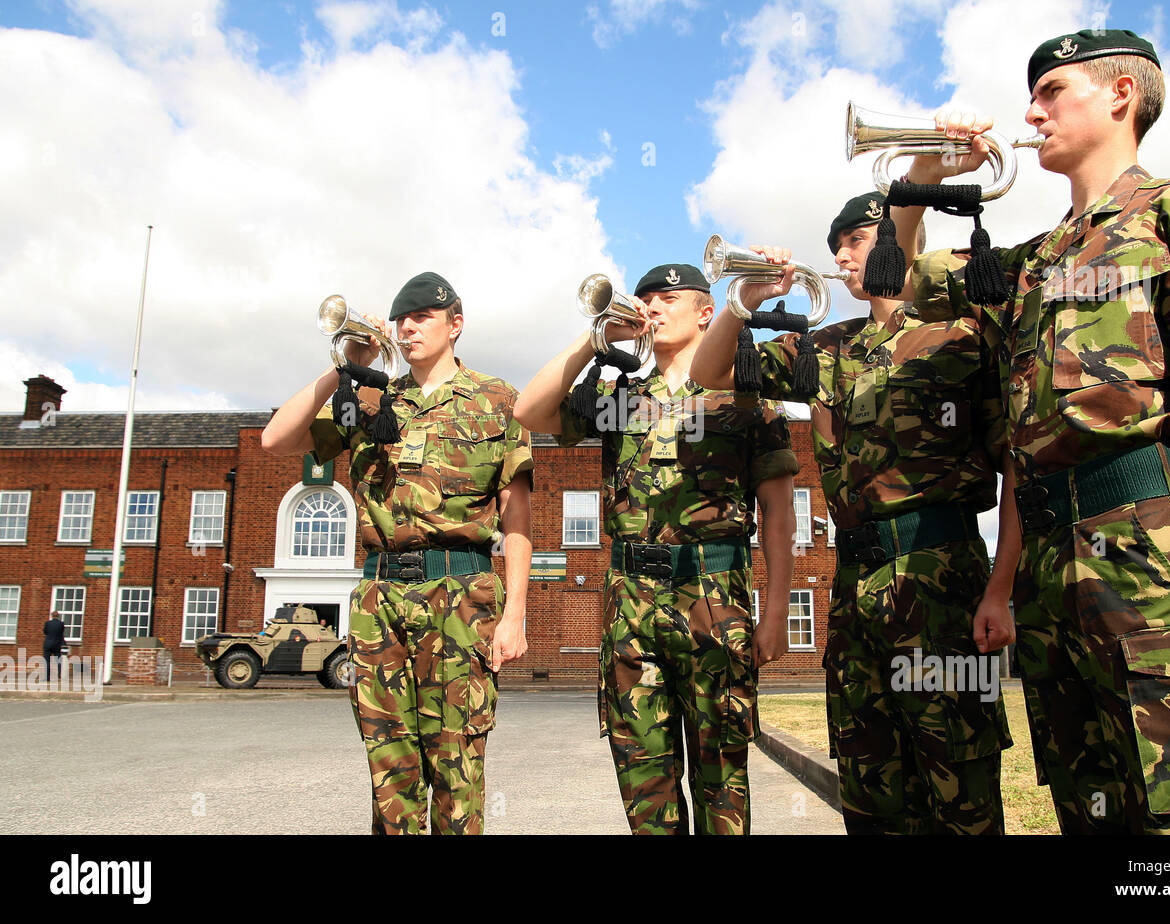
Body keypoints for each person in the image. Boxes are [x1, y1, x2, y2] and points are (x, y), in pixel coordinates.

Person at [902, 29, 1170, 833]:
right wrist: (923, 176)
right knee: (1090, 806)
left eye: (1052, 91)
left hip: (1147, 546)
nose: (1031, 111)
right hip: (1051, 565)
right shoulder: (1029, 261)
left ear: (1121, 93)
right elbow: (904, 277)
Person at [691, 197, 1017, 834]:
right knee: (870, 788)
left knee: (960, 784)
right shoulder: (829, 346)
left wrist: (1002, 587)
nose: (840, 256)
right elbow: (709, 371)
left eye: (858, 239)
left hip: (941, 576)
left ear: (899, 242)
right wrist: (746, 299)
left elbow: (1018, 463)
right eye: (835, 244)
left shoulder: (966, 331)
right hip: (855, 585)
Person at [515, 263, 798, 834]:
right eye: (646, 298)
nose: (653, 306)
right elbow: (529, 411)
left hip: (716, 597)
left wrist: (775, 615)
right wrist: (597, 335)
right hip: (632, 604)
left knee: (723, 780)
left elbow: (779, 517)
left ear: (705, 312)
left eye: (669, 297)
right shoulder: (621, 400)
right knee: (644, 778)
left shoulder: (744, 400)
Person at [262, 272, 532, 835]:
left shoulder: (498, 399)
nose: (407, 327)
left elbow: (518, 517)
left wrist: (514, 616)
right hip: (380, 598)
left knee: (456, 763)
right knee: (389, 766)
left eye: (422, 317)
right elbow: (276, 439)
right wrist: (345, 366)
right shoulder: (369, 398)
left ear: (455, 325)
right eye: (401, 319)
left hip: (460, 597)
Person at [43, 610, 65, 684]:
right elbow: (61, 633)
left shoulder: (47, 623)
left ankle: (47, 677)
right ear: (58, 616)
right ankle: (59, 675)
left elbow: (45, 632)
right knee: (58, 661)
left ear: (51, 616)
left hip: (48, 644)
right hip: (57, 644)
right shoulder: (61, 624)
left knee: (47, 661)